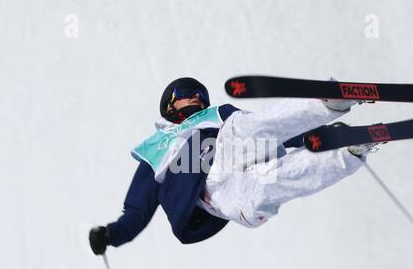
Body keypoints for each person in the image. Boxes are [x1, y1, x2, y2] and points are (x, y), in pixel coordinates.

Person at [88, 77, 378, 255]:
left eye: (199, 95)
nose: (195, 98)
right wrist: (111, 235)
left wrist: (319, 134)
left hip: (228, 150)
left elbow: (273, 128)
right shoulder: (154, 148)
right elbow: (138, 209)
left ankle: (328, 103)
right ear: (170, 107)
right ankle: (346, 154)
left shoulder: (215, 115)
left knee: (246, 127)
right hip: (213, 194)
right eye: (186, 94)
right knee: (270, 186)